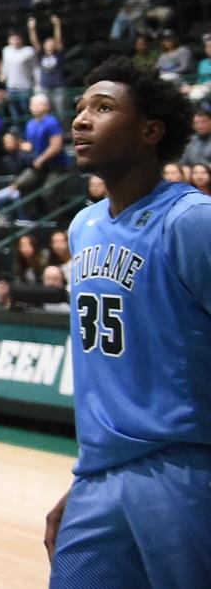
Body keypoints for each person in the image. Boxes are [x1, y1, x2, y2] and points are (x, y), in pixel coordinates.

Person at [44, 58, 211, 589]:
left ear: (150, 131)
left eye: (103, 107)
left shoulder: (191, 220)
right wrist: (85, 482)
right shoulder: (83, 226)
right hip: (98, 477)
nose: (81, 121)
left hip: (183, 473)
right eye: (79, 109)